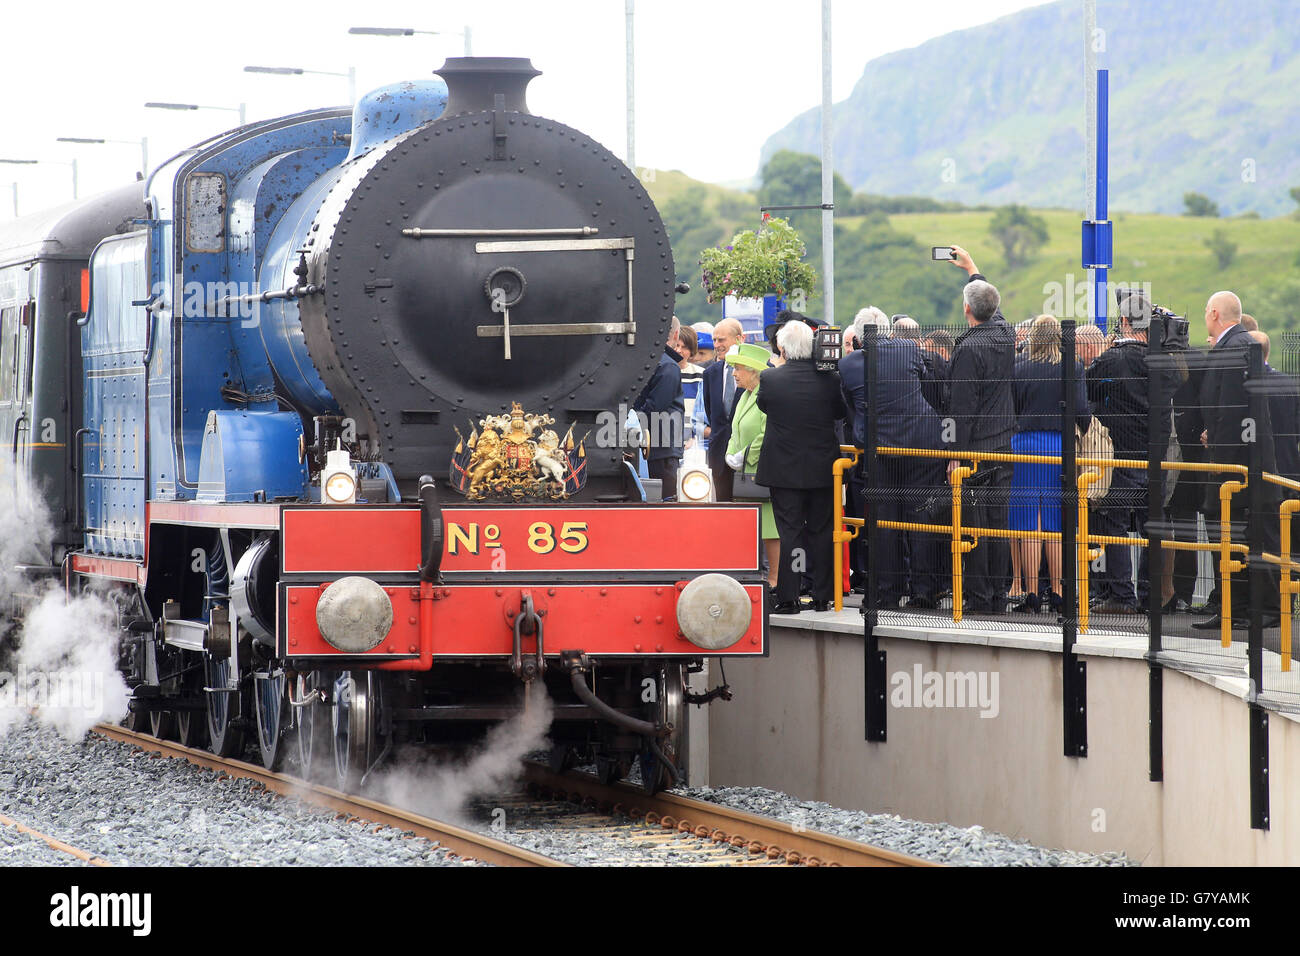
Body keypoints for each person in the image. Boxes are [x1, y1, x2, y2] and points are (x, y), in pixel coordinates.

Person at [841, 315, 947, 609]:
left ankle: (886, 593)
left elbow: (850, 408)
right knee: (921, 518)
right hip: (922, 444)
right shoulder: (909, 350)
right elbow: (932, 386)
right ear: (888, 333)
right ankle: (924, 591)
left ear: (859, 339)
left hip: (880, 450)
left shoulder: (848, 364)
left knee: (883, 523)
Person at [1191, 291, 1281, 630]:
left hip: (1236, 468)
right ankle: (1236, 606)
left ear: (1214, 313)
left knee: (1234, 536)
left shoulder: (1235, 348)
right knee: (1236, 537)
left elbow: (1232, 412)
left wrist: (1221, 461)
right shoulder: (1241, 345)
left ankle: (1242, 608)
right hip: (1241, 461)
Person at [756, 318, 847, 614]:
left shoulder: (771, 379)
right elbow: (839, 412)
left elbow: (764, 406)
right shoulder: (831, 379)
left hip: (784, 470)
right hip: (823, 468)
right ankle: (823, 596)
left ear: (781, 347)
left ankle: (789, 597)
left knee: (791, 533)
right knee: (822, 530)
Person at [945, 245, 1016, 614]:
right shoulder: (1006, 334)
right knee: (997, 523)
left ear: (967, 310)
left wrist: (954, 456)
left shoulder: (968, 349)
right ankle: (999, 597)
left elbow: (961, 411)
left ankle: (979, 598)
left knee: (973, 522)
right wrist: (972, 268)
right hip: (1004, 443)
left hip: (974, 450)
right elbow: (992, 304)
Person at [1008, 316, 1088, 613]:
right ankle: (1057, 591)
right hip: (1058, 447)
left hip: (1025, 447)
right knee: (1054, 521)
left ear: (1033, 337)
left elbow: (1012, 407)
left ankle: (1031, 594)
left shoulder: (1018, 367)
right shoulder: (1072, 366)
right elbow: (1081, 410)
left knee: (1030, 522)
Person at [724, 343, 781, 588]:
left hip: (761, 470)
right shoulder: (745, 395)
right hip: (743, 474)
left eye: (738, 369)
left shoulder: (763, 396)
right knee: (749, 526)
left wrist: (746, 455)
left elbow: (766, 432)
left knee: (769, 530)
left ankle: (775, 580)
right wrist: (730, 453)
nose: (734, 373)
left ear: (753, 372)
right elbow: (735, 430)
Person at [632, 315, 685, 499]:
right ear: (676, 334)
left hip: (646, 444)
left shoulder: (644, 361)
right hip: (662, 449)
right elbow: (655, 409)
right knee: (666, 500)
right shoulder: (669, 367)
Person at [701, 318, 745, 501]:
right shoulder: (710, 374)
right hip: (718, 455)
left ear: (739, 339)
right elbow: (712, 414)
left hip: (746, 456)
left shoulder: (759, 371)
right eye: (714, 340)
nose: (717, 345)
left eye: (722, 340)